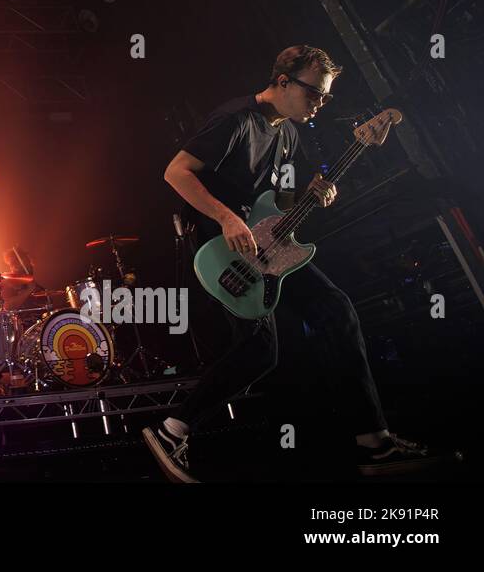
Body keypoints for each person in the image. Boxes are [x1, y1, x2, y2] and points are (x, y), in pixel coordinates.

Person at [142, 45, 430, 481]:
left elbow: (275, 203)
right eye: (316, 93)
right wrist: (225, 217)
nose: (320, 104)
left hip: (269, 247)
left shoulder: (288, 133)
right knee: (260, 350)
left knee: (336, 312)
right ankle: (170, 431)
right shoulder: (236, 119)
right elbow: (176, 171)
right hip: (225, 254)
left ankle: (374, 442)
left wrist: (311, 193)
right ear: (282, 82)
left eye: (326, 97)